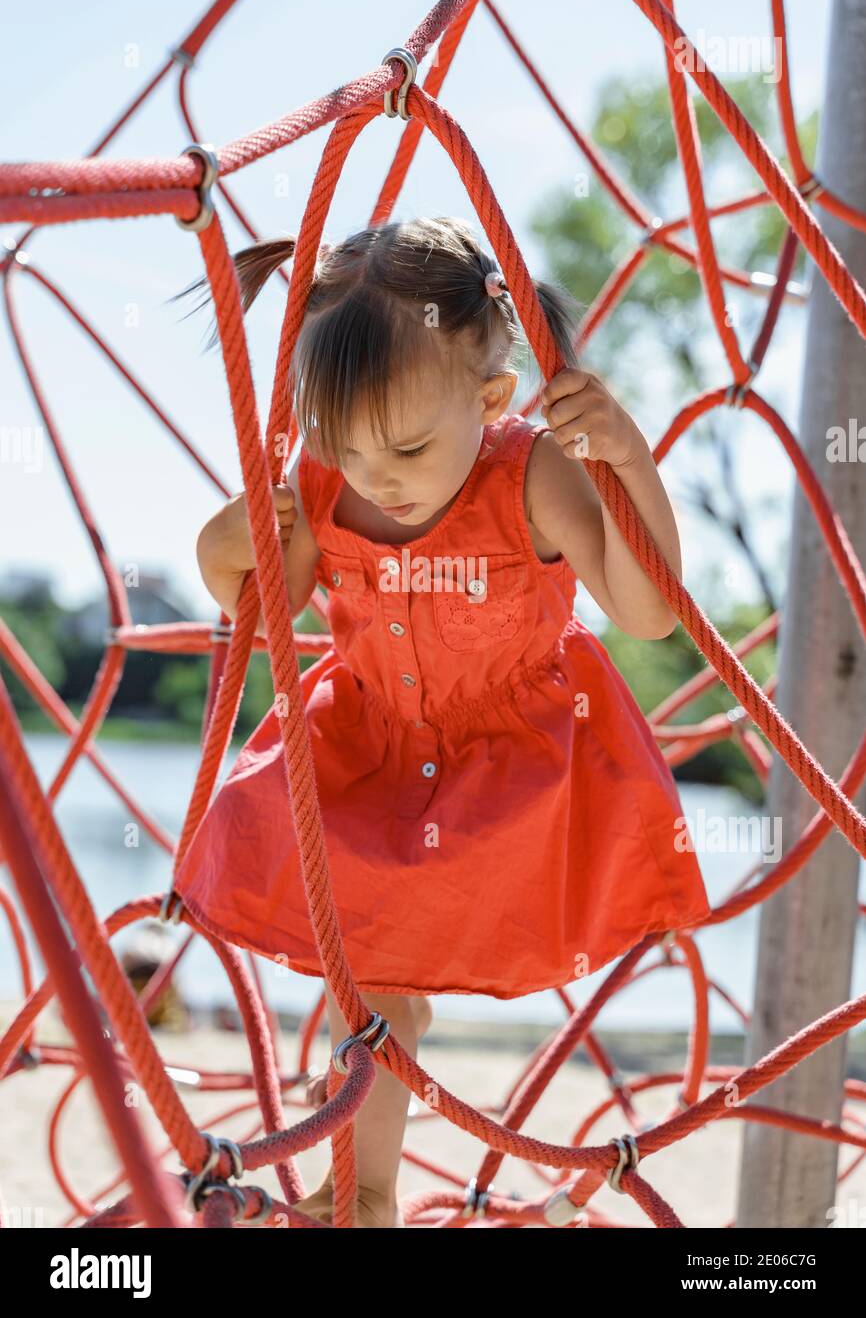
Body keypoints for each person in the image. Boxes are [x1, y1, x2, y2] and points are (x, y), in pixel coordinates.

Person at [170, 215, 711, 1227]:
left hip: (510, 775)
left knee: (394, 980)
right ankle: (363, 1189)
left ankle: (381, 1181)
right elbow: (262, 616)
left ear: (490, 397)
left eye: (409, 445)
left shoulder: (529, 472)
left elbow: (644, 614)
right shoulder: (323, 481)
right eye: (343, 439)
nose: (375, 473)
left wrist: (627, 465)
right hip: (367, 756)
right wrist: (223, 540)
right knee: (364, 988)